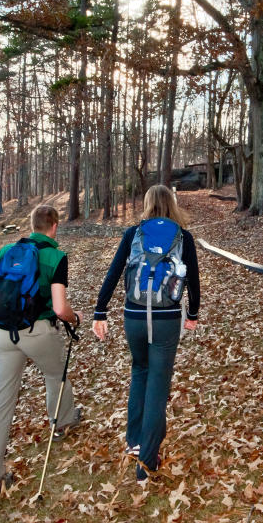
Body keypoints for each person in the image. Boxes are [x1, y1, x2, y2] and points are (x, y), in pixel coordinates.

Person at [93, 185, 200, 484]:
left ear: (148, 204)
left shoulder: (133, 234)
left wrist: (100, 312)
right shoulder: (183, 237)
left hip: (134, 318)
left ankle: (135, 441)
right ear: (172, 205)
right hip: (166, 319)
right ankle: (147, 462)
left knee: (140, 371)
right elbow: (192, 280)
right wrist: (192, 314)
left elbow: (114, 273)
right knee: (158, 384)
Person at [0, 204, 83, 503]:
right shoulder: (56, 256)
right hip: (38, 333)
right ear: (54, 227)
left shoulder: (7, 251)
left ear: (31, 224)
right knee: (54, 374)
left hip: (2, 334)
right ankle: (62, 422)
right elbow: (61, 308)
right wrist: (75, 319)